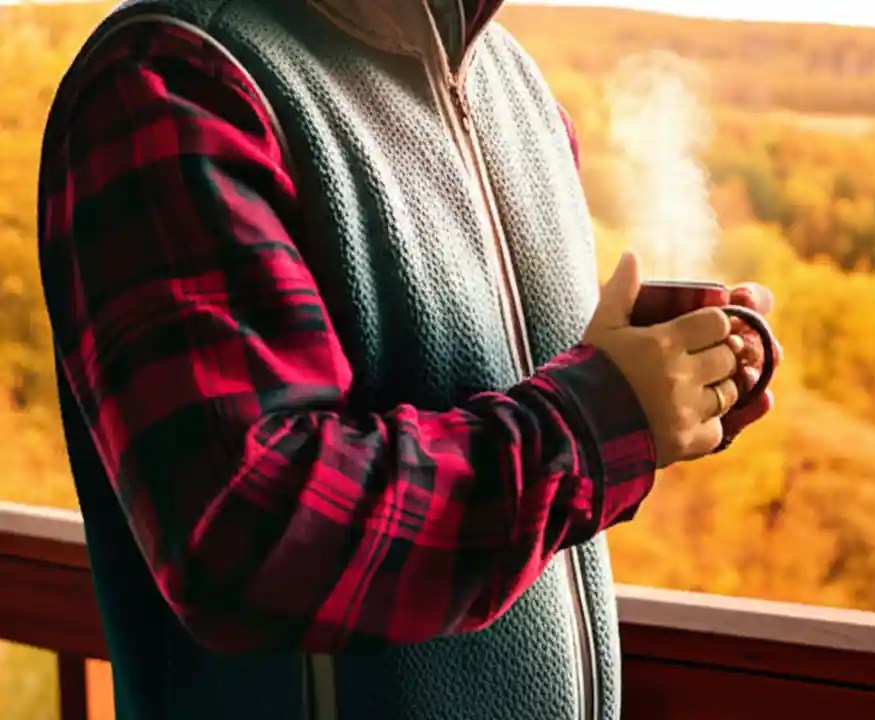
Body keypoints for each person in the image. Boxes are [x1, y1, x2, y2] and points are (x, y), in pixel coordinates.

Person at [36, 1, 779, 718]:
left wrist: (662, 396)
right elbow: (253, 535)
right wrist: (600, 422)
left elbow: (530, 432)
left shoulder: (516, 89)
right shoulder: (172, 79)